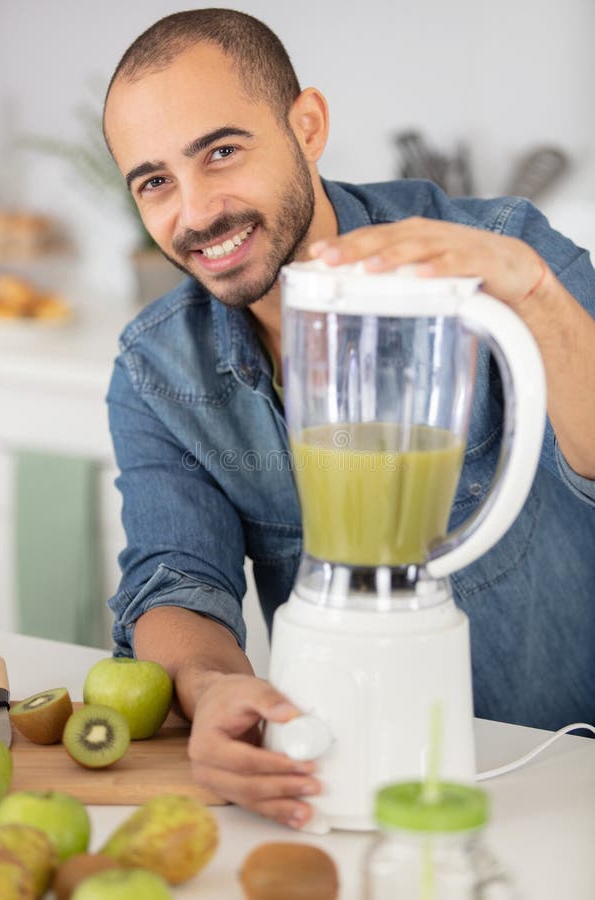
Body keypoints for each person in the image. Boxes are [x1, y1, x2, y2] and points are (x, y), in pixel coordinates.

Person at [103, 9, 595, 828]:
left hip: (570, 783)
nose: (196, 214)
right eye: (155, 181)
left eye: (221, 152)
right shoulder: (158, 369)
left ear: (308, 125)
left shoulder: (507, 252)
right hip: (354, 791)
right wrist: (215, 688)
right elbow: (175, 581)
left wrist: (536, 296)